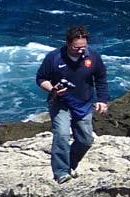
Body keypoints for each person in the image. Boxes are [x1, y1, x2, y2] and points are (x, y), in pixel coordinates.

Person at [34, 25, 109, 183]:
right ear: (68, 43)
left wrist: (102, 100)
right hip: (60, 103)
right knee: (62, 135)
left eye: (84, 47)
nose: (81, 50)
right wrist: (52, 89)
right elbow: (41, 78)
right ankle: (61, 173)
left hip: (84, 104)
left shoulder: (93, 56)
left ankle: (69, 165)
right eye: (77, 47)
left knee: (86, 140)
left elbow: (101, 79)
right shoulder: (54, 57)